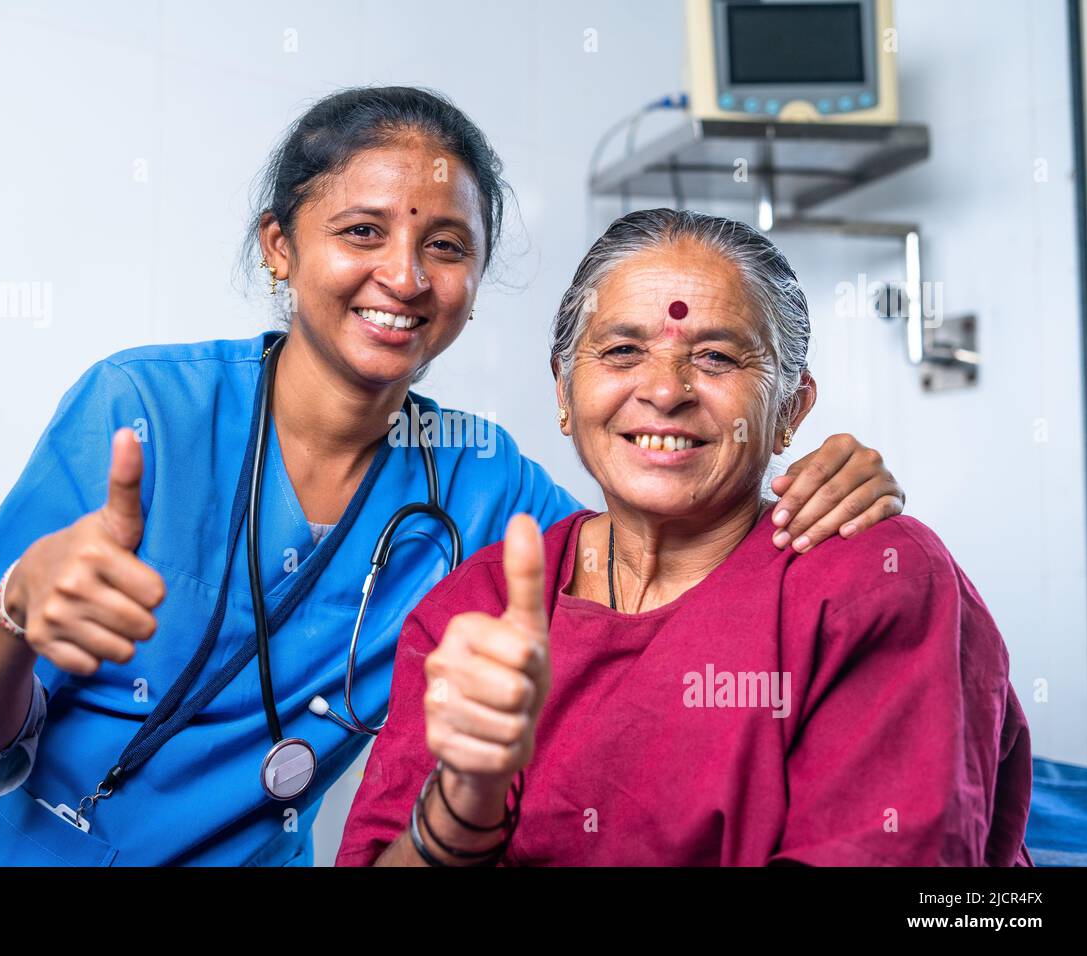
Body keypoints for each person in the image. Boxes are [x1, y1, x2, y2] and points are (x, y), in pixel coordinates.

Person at [0, 90, 905, 867]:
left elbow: (667, 545)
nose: (403, 276)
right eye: (361, 232)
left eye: (445, 244)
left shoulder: (483, 482)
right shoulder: (143, 410)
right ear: (279, 247)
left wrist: (811, 475)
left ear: (475, 284)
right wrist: (17, 610)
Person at [336, 208, 1033, 867]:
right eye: (622, 350)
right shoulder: (479, 606)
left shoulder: (874, 580)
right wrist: (459, 809)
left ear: (790, 409)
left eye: (718, 359)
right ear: (563, 392)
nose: (666, 391)